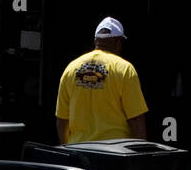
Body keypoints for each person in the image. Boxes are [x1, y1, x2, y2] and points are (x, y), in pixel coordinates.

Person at [54, 16, 149, 144]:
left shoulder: (71, 68)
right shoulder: (125, 69)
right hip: (115, 152)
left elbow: (62, 119)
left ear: (95, 41)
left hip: (78, 151)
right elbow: (136, 119)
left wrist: (66, 148)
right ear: (118, 41)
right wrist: (141, 155)